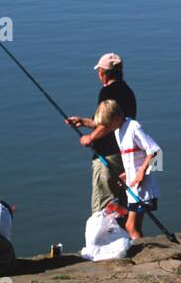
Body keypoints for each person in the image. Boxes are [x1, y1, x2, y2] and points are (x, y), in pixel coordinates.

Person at [66, 53, 136, 214]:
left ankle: (104, 231)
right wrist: (83, 121)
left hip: (106, 157)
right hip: (124, 156)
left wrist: (90, 137)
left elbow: (107, 125)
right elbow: (110, 121)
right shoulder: (128, 92)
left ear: (103, 73)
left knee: (103, 208)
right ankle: (121, 230)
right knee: (121, 205)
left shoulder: (107, 93)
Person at [94, 99, 162, 240]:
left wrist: (141, 172)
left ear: (117, 117)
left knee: (130, 226)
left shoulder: (133, 127)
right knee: (133, 226)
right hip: (133, 185)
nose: (108, 128)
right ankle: (142, 247)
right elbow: (133, 157)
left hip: (142, 187)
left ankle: (143, 250)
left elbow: (155, 151)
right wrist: (128, 174)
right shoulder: (117, 131)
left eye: (109, 124)